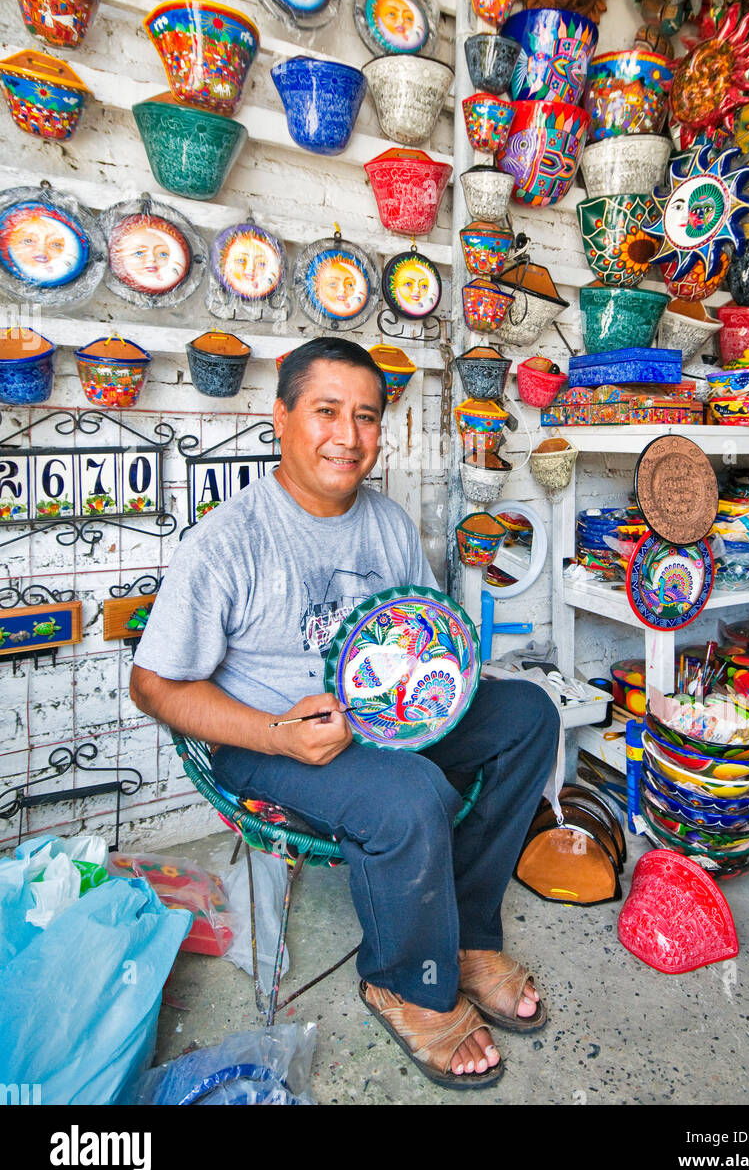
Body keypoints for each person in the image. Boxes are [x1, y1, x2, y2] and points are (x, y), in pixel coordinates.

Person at [130, 337, 559, 1090]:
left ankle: (464, 935)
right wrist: (276, 735)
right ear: (282, 417)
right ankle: (406, 979)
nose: (348, 436)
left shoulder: (388, 524)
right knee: (407, 794)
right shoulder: (228, 540)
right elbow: (154, 686)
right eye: (326, 411)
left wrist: (442, 688)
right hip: (265, 738)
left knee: (527, 713)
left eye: (366, 417)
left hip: (382, 719)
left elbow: (422, 636)